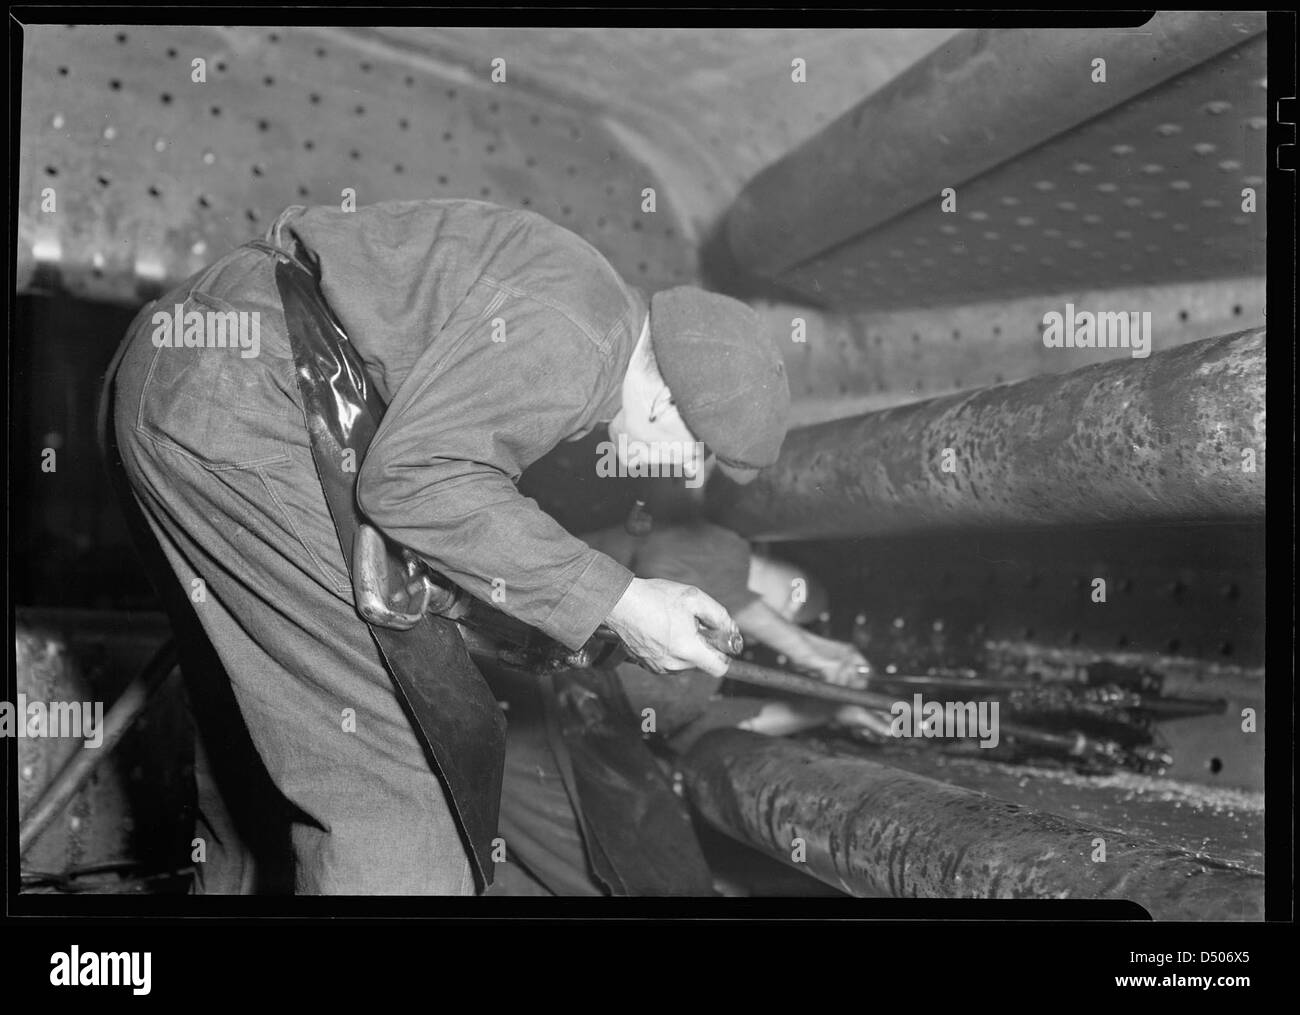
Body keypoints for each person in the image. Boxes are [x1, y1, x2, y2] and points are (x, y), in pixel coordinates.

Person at [105, 199, 790, 894]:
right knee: (402, 777)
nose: (687, 476)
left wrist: (594, 613)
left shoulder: (583, 302)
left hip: (188, 363)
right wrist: (619, 598)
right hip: (246, 392)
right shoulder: (579, 341)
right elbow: (410, 481)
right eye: (699, 454)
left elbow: (443, 500)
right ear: (664, 403)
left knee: (250, 737)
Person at [490, 515, 880, 897]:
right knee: (650, 879)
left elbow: (703, 730)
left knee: (661, 880)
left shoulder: (703, 663)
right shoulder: (714, 545)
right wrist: (813, 654)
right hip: (535, 673)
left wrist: (824, 711)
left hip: (580, 728)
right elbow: (704, 577)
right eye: (795, 610)